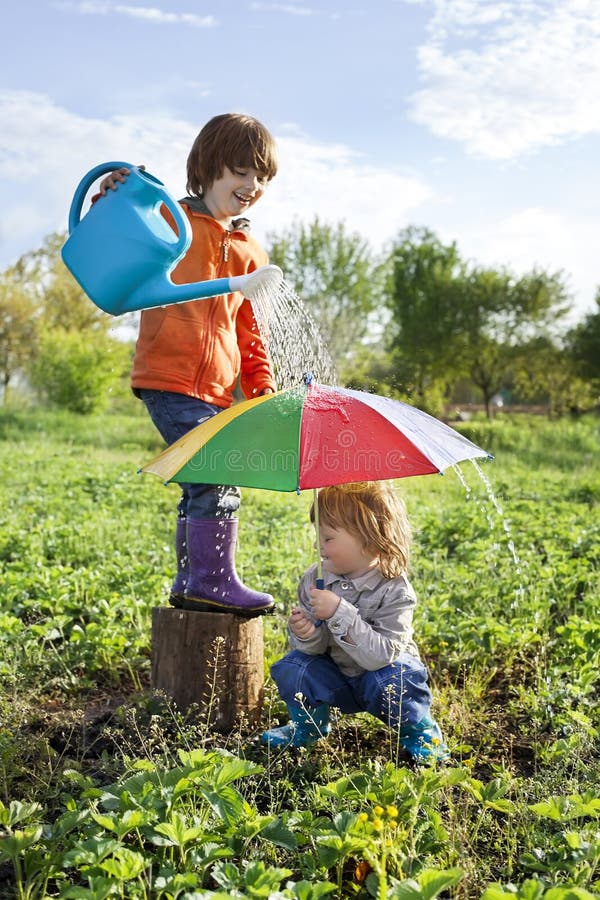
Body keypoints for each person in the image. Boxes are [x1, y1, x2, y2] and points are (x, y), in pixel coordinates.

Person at [97, 113, 278, 616]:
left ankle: (193, 583)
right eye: (242, 172)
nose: (252, 186)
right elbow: (118, 235)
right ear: (210, 167)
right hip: (168, 379)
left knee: (204, 477)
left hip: (216, 391)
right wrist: (110, 195)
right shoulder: (171, 221)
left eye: (262, 178)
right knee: (215, 472)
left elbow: (251, 329)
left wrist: (260, 386)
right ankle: (210, 580)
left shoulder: (249, 249)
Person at [261, 481, 448, 762]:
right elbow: (314, 650)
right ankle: (308, 727)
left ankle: (420, 735)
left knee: (397, 679)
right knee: (295, 667)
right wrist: (308, 634)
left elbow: (381, 656)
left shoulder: (394, 588)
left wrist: (339, 612)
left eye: (327, 538)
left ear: (369, 538)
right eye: (317, 536)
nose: (317, 545)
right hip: (337, 678)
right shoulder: (316, 579)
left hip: (380, 675)